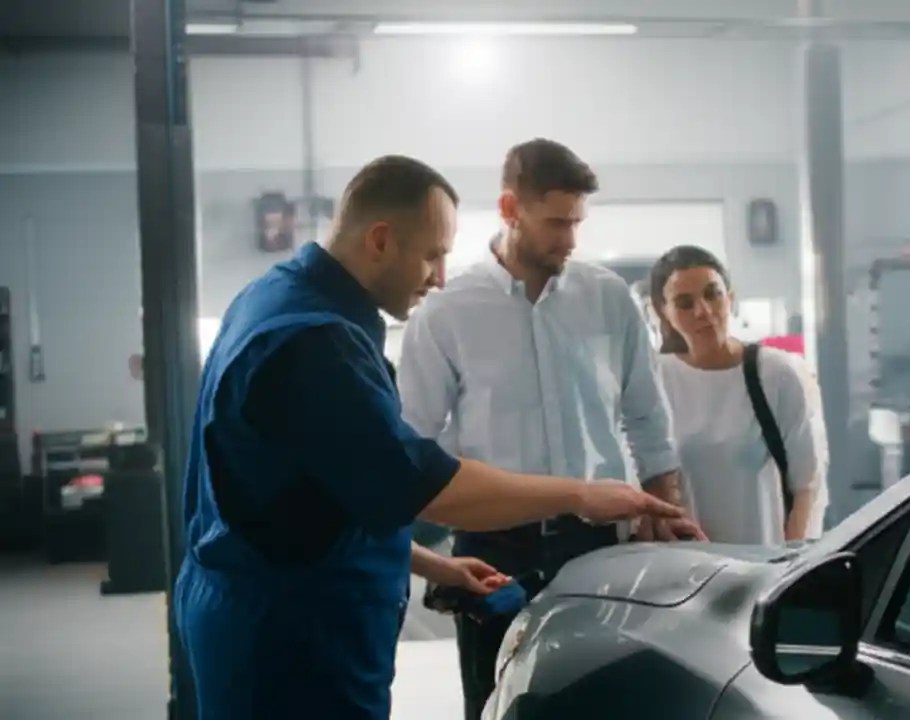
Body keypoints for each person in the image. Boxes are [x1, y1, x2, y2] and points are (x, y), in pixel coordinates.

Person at [173, 155, 684, 720]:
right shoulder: (314, 344)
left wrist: (433, 566)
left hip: (272, 605)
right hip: (293, 636)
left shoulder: (278, 297)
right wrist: (581, 494)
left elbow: (341, 488)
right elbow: (424, 485)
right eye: (431, 255)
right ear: (381, 240)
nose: (439, 276)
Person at [397, 138, 705, 719]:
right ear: (510, 209)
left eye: (577, 222)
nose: (569, 240)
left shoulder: (609, 299)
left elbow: (646, 416)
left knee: (605, 704)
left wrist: (663, 510)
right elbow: (412, 442)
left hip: (599, 547)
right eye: (556, 223)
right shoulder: (446, 313)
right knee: (496, 704)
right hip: (493, 550)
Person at [649, 245, 828, 546]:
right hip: (686, 564)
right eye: (685, 303)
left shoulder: (775, 374)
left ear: (730, 298)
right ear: (663, 312)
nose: (703, 311)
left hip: (764, 560)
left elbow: (806, 486)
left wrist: (793, 560)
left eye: (712, 294)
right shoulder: (654, 380)